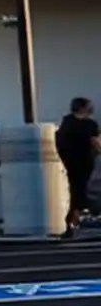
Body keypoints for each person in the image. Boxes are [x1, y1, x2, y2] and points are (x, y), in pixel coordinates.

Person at [55, 97, 101, 236]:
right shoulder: (90, 125)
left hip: (69, 164)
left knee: (75, 193)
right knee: (87, 192)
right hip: (86, 163)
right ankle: (79, 220)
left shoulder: (66, 123)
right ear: (84, 108)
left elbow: (59, 143)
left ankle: (72, 222)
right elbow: (96, 143)